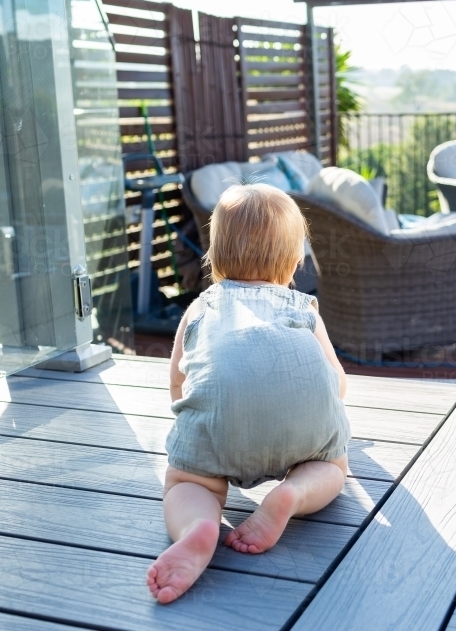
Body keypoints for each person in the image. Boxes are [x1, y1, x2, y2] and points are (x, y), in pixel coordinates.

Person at [146, 184, 350, 604]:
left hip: (220, 424)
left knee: (188, 480)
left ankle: (198, 526)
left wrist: (199, 430)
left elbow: (178, 383)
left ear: (213, 258)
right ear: (295, 263)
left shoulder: (202, 307)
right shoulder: (303, 308)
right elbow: (337, 380)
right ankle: (292, 494)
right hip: (305, 426)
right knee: (331, 466)